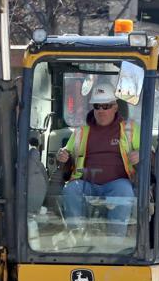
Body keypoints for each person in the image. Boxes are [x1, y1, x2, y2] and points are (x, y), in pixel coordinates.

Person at [56, 82, 141, 235]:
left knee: (125, 190)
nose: (101, 111)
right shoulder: (81, 131)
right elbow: (66, 158)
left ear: (115, 107)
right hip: (86, 183)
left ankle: (115, 240)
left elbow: (151, 156)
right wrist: (63, 157)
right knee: (71, 189)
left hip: (117, 184)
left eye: (106, 106)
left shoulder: (131, 129)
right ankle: (76, 236)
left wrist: (140, 155)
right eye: (97, 106)